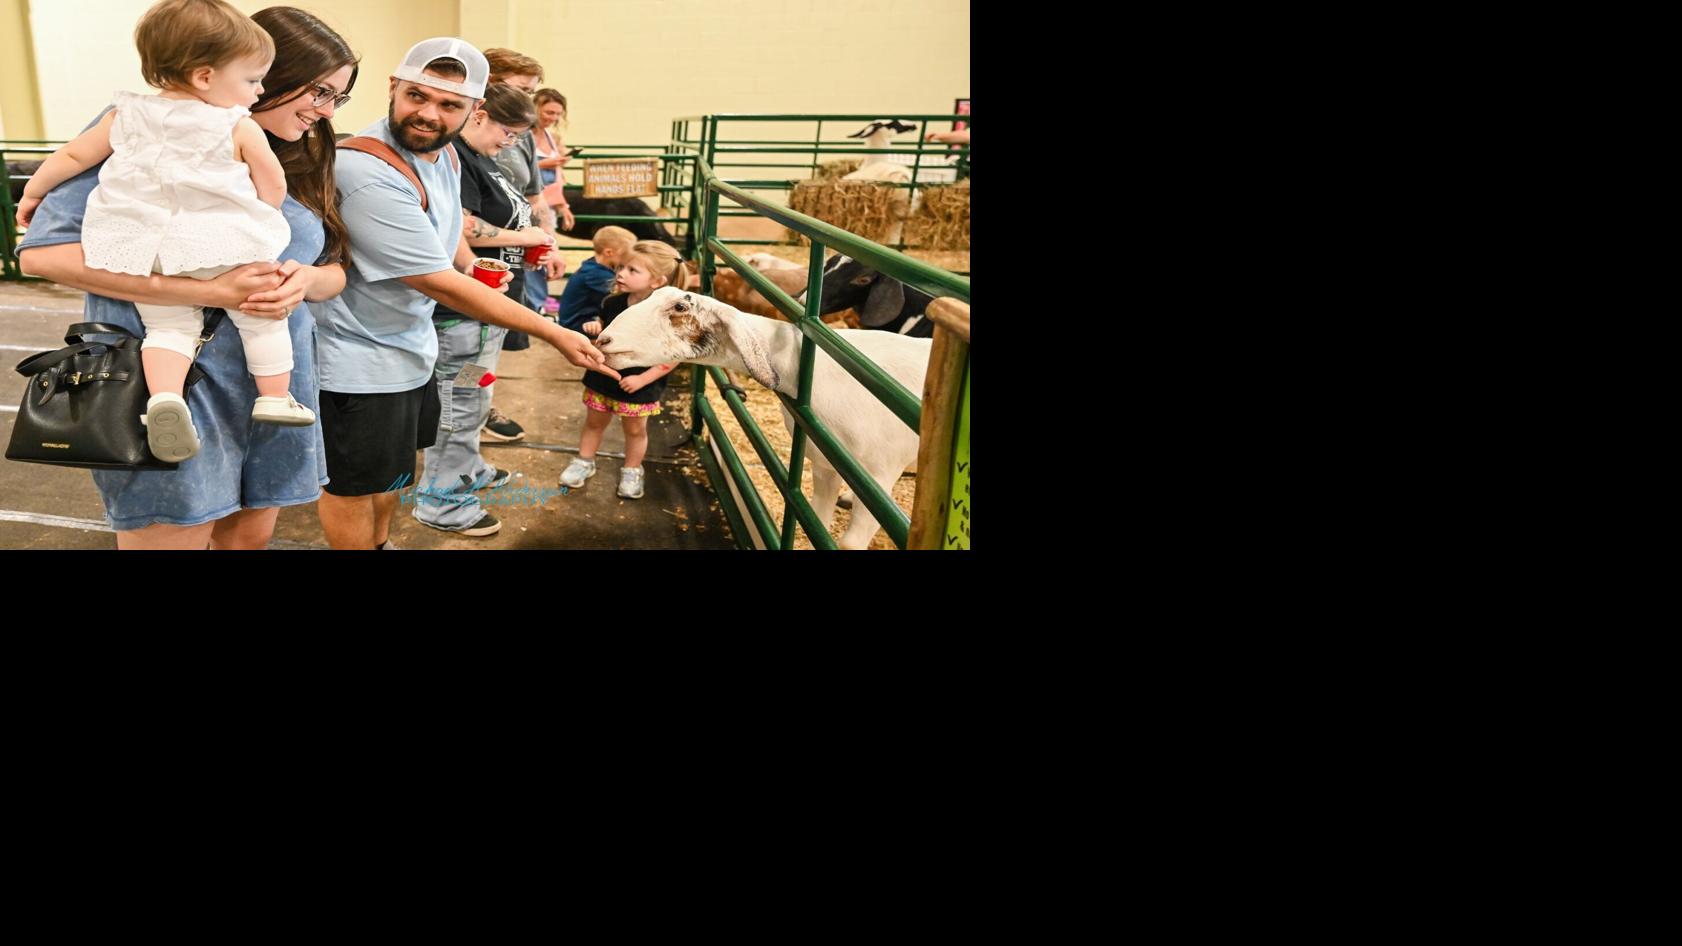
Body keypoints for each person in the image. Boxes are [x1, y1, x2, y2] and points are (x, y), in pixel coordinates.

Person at [16, 5, 359, 549]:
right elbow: (42, 257)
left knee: (246, 542)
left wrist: (307, 283)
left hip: (270, 394)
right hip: (172, 390)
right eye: (317, 91)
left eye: (337, 97)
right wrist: (210, 292)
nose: (326, 109)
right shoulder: (140, 131)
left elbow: (335, 268)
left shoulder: (302, 151)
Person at [312, 36, 613, 547]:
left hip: (407, 346)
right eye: (416, 96)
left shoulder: (444, 157)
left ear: (474, 109)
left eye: (449, 104)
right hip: (358, 361)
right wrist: (551, 330)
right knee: (351, 485)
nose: (429, 114)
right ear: (394, 88)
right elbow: (433, 280)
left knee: (392, 471)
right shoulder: (366, 170)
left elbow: (450, 232)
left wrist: (473, 265)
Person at [412, 83, 549, 535]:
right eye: (507, 133)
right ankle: (440, 500)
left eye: (516, 138)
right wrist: (523, 239)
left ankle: (467, 468)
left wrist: (523, 250)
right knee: (459, 400)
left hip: (486, 310)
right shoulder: (454, 159)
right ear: (480, 114)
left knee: (476, 392)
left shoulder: (476, 160)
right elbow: (461, 229)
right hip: (461, 313)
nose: (508, 143)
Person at [559, 240, 685, 500]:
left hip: (639, 385)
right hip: (602, 377)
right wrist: (596, 330)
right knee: (594, 423)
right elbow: (606, 335)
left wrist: (643, 378)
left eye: (632, 271)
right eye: (621, 267)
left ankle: (632, 469)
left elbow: (675, 355)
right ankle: (584, 461)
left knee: (636, 430)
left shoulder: (666, 315)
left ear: (657, 281)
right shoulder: (612, 302)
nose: (620, 274)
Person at [554, 225, 633, 332]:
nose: (627, 260)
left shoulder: (593, 265)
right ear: (609, 253)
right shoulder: (597, 274)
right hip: (578, 324)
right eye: (625, 255)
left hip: (577, 320)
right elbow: (622, 295)